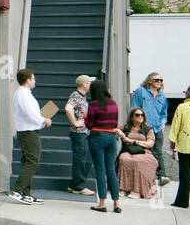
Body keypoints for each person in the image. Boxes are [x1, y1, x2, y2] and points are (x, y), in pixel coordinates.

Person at [10, 68, 51, 203]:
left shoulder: (23, 93)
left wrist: (40, 122)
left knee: (28, 161)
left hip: (27, 130)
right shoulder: (23, 94)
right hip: (28, 132)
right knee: (33, 161)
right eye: (33, 78)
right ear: (27, 80)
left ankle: (26, 193)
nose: (35, 80)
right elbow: (30, 113)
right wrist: (43, 120)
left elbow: (29, 114)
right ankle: (16, 190)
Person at [84, 78, 122, 213]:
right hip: (111, 137)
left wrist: (84, 117)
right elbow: (115, 123)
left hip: (96, 137)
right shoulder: (114, 103)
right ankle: (117, 203)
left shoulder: (93, 104)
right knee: (111, 170)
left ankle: (102, 203)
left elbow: (89, 125)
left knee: (100, 170)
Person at [131, 73, 171, 187]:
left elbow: (164, 113)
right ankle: (143, 176)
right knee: (142, 151)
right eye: (156, 80)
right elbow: (134, 108)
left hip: (157, 128)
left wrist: (163, 123)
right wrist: (137, 124)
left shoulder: (162, 96)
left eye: (161, 80)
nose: (159, 82)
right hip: (143, 128)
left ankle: (162, 176)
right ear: (149, 81)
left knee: (158, 151)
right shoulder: (140, 91)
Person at [116, 107, 159, 199]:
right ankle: (124, 188)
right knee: (124, 159)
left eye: (142, 115)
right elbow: (114, 129)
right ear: (132, 117)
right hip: (128, 151)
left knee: (138, 161)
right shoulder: (126, 127)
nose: (140, 116)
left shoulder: (148, 129)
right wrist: (120, 132)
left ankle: (137, 190)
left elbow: (150, 144)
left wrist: (133, 141)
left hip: (144, 151)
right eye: (137, 115)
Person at [65, 74, 96, 196]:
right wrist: (74, 122)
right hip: (79, 133)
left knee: (86, 159)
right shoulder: (76, 95)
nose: (91, 84)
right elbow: (68, 108)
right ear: (84, 84)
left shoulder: (82, 96)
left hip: (84, 133)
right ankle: (78, 186)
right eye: (89, 82)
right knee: (81, 159)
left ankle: (76, 185)